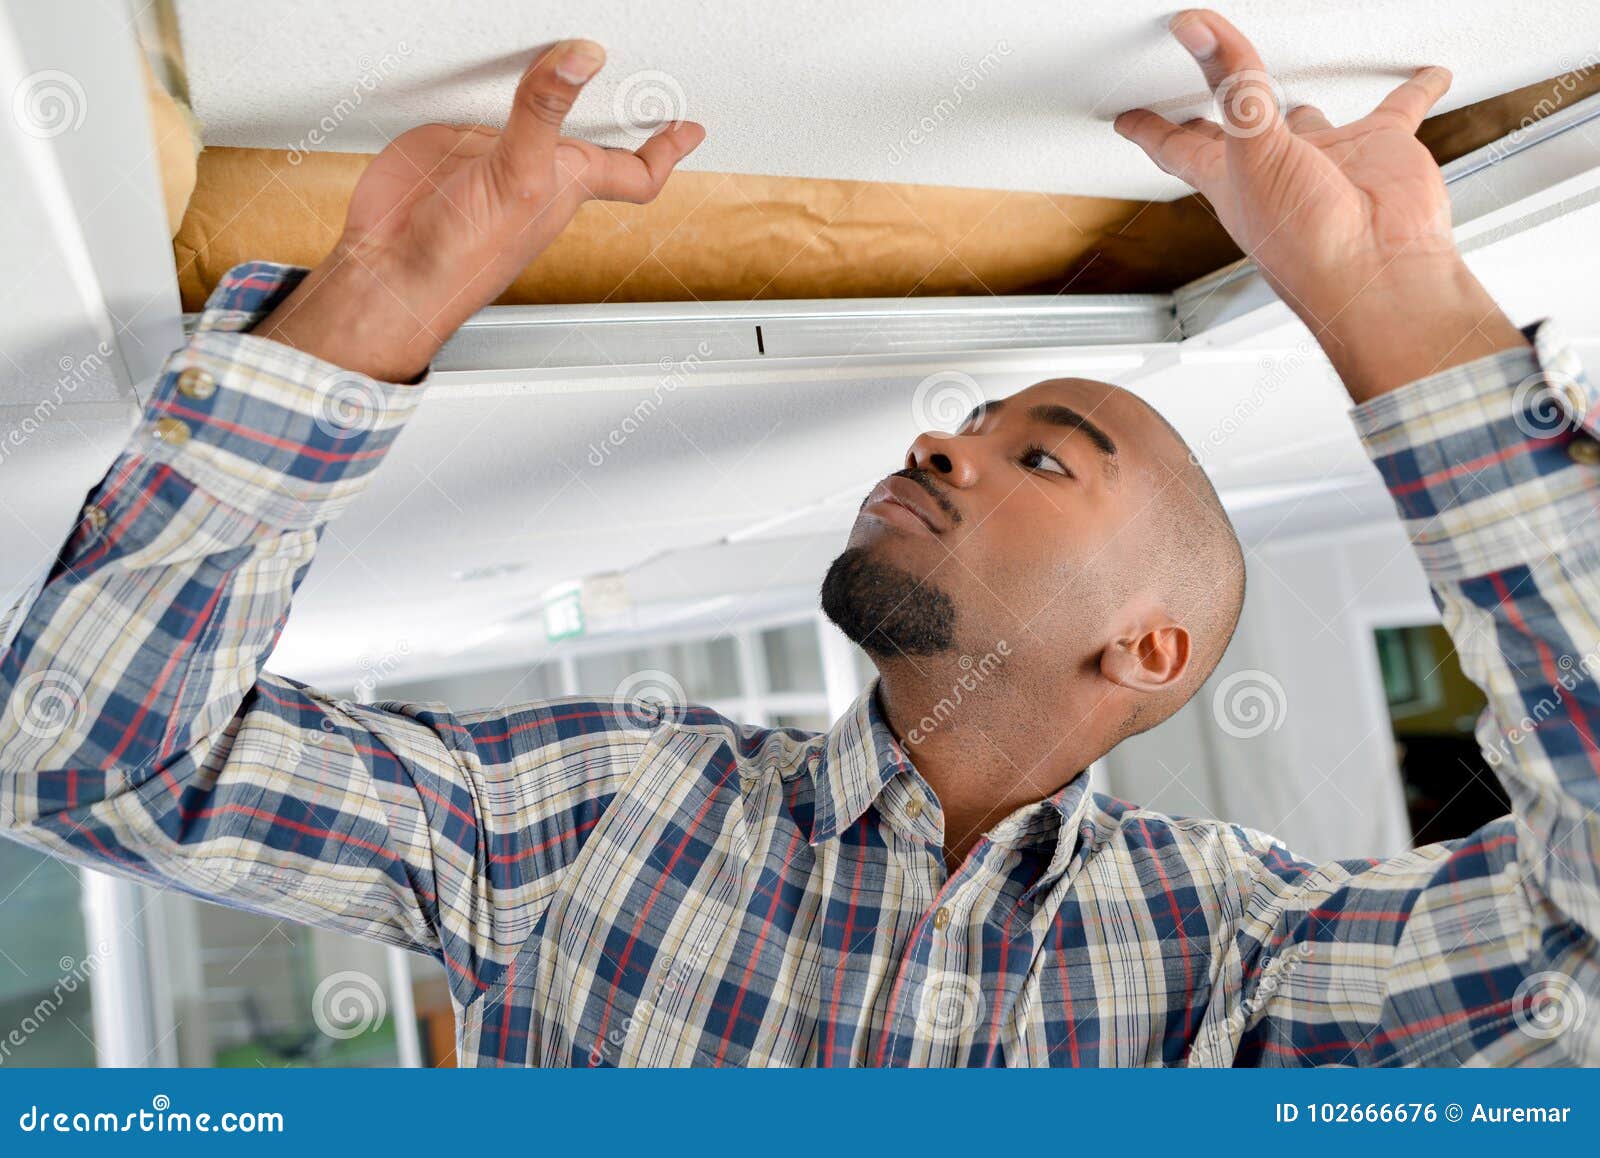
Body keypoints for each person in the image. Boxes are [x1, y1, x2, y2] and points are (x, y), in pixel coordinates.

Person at [1, 11, 1595, 1067]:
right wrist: (369, 312)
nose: (937, 441)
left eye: (1039, 453)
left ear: (1151, 647)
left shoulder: (1240, 964)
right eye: (967, 425)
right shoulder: (602, 811)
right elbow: (90, 765)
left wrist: (1393, 305)